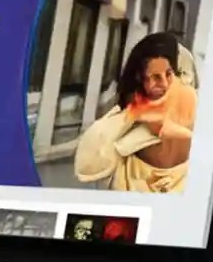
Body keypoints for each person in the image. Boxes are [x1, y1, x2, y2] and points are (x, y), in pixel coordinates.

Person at [73, 32, 198, 193]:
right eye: (154, 77)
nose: (164, 84)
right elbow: (87, 165)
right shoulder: (129, 120)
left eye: (169, 74)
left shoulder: (189, 107)